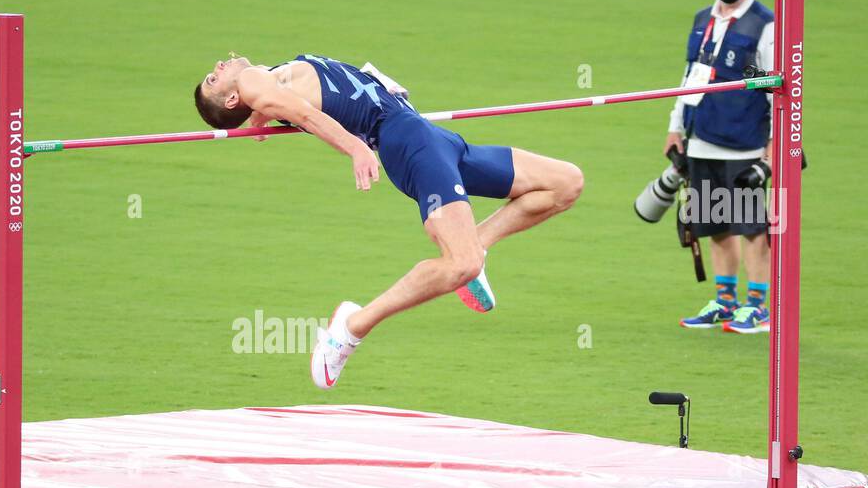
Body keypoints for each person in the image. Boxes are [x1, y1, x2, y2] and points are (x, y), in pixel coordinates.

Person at [194, 53, 583, 388]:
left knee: (564, 184)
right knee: (461, 265)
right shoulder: (253, 84)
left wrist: (257, 117)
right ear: (232, 97)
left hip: (431, 136)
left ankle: (476, 242)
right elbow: (304, 115)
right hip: (408, 143)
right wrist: (355, 147)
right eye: (215, 77)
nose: (219, 64)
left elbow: (274, 96)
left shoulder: (269, 77)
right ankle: (351, 327)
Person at [669, 0, 775, 334]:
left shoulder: (764, 24)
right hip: (701, 140)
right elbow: (689, 77)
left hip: (744, 144)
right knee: (715, 226)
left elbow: (779, 91)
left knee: (751, 227)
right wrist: (675, 127)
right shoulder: (702, 20)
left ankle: (758, 306)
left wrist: (772, 151)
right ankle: (726, 302)